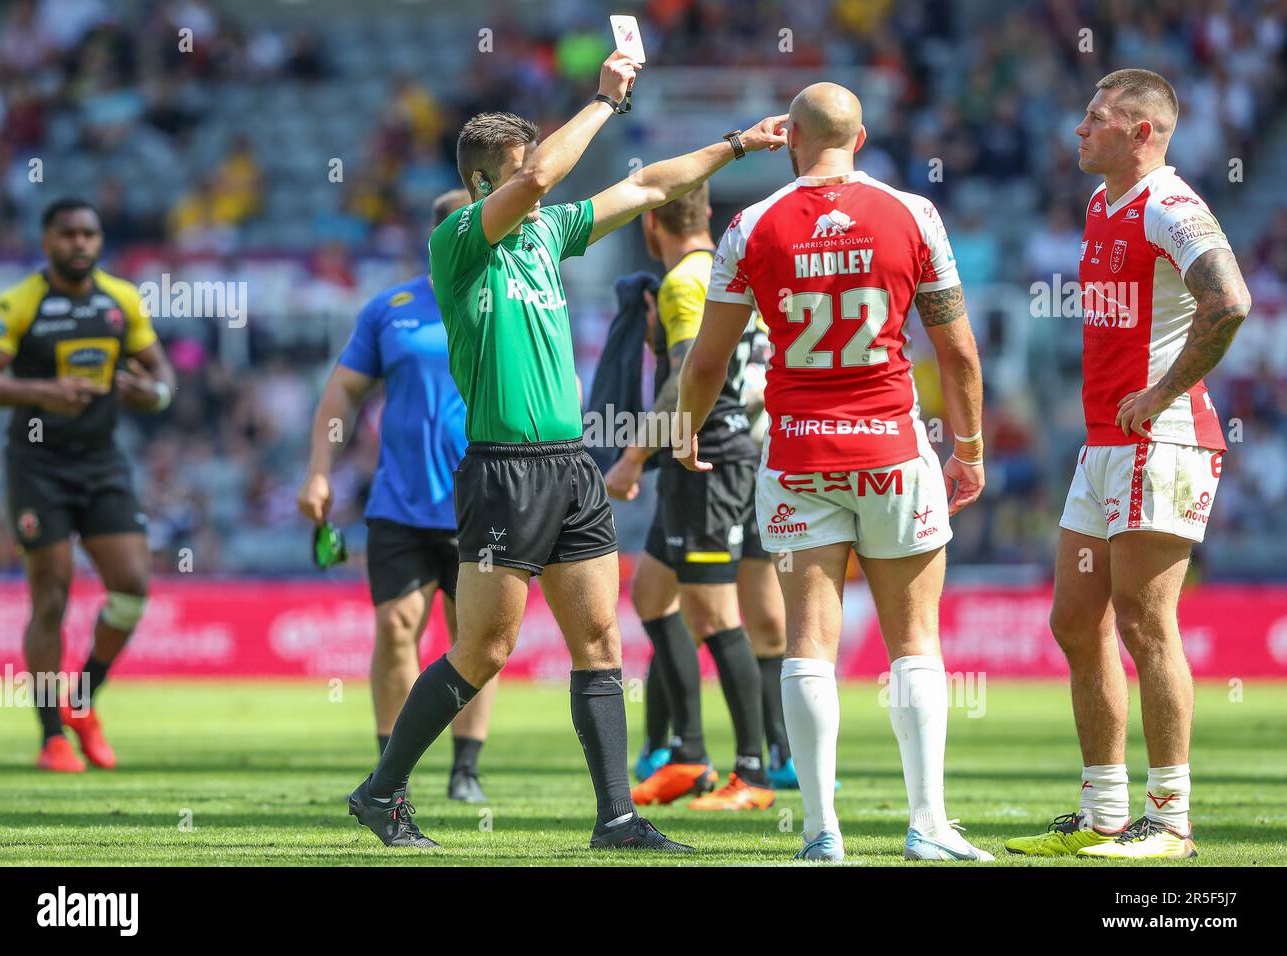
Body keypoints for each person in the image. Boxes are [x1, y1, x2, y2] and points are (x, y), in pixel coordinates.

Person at [343, 50, 787, 852]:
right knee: (485, 649)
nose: (535, 181)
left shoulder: (547, 234)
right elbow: (544, 177)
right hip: (505, 472)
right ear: (485, 185)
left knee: (602, 642)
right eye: (518, 171)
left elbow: (651, 186)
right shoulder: (458, 244)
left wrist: (737, 143)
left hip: (571, 466)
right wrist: (604, 101)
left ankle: (615, 819)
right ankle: (381, 793)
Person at [675, 83, 991, 862]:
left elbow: (708, 358)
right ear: (862, 136)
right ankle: (928, 827)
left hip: (797, 454)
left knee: (808, 645)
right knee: (914, 642)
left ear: (790, 142)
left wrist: (681, 427)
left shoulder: (750, 226)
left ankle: (820, 833)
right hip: (889, 448)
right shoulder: (913, 214)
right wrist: (971, 449)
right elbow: (956, 353)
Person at [1006, 69, 1252, 861]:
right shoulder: (1099, 204)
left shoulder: (1170, 205)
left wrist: (1163, 390)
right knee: (1076, 622)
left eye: (1095, 117)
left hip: (1165, 437)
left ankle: (1171, 820)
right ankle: (1105, 811)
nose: (1079, 129)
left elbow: (1231, 302)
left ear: (1141, 130)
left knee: (1147, 624)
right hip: (1104, 444)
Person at [298, 189, 498, 804]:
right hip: (400, 504)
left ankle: (465, 767)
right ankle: (395, 771)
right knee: (396, 626)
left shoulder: (507, 299)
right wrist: (319, 471)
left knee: (477, 637)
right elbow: (342, 395)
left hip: (481, 498)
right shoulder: (392, 308)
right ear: (437, 237)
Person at [603, 183, 789, 810]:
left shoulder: (686, 281)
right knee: (653, 595)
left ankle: (753, 774)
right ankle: (687, 756)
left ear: (651, 223)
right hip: (715, 455)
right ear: (705, 212)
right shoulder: (737, 273)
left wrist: (631, 459)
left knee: (713, 614)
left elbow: (685, 381)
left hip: (708, 457)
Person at [0, 198, 175, 772]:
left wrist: (154, 394)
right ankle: (52, 737)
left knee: (132, 585)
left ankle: (82, 699)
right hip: (37, 465)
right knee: (52, 594)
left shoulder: (120, 299)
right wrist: (44, 392)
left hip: (101, 461)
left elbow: (161, 374)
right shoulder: (17, 303)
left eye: (89, 233)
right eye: (68, 234)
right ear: (47, 241)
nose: (80, 243)